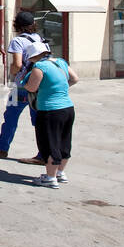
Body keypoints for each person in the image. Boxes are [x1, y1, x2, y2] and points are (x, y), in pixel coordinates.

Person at [0, 11, 50, 161]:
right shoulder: (39, 38)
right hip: (38, 85)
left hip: (19, 86)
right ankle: (43, 154)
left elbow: (17, 64)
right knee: (38, 121)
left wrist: (13, 73)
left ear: (17, 25)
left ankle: (2, 148)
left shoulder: (17, 41)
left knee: (10, 116)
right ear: (34, 24)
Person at [22, 46, 79, 188]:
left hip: (49, 110)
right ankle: (60, 173)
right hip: (67, 108)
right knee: (64, 142)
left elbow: (32, 87)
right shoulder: (61, 62)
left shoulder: (40, 66)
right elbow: (75, 79)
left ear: (33, 56)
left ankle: (50, 177)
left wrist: (25, 83)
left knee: (49, 143)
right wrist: (58, 88)